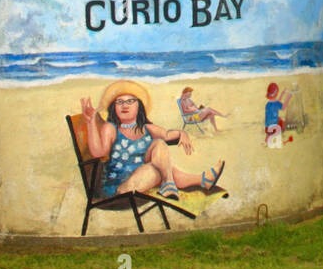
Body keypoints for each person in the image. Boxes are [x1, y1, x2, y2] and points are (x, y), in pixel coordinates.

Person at [81, 81, 225, 202]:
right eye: (120, 102)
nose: (125, 105)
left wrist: (182, 132)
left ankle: (174, 183)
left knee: (159, 144)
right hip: (120, 188)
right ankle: (197, 180)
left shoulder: (146, 127)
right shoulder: (111, 128)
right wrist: (90, 123)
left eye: (130, 101)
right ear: (114, 107)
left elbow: (167, 134)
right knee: (158, 168)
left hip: (144, 181)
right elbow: (99, 152)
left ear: (139, 106)